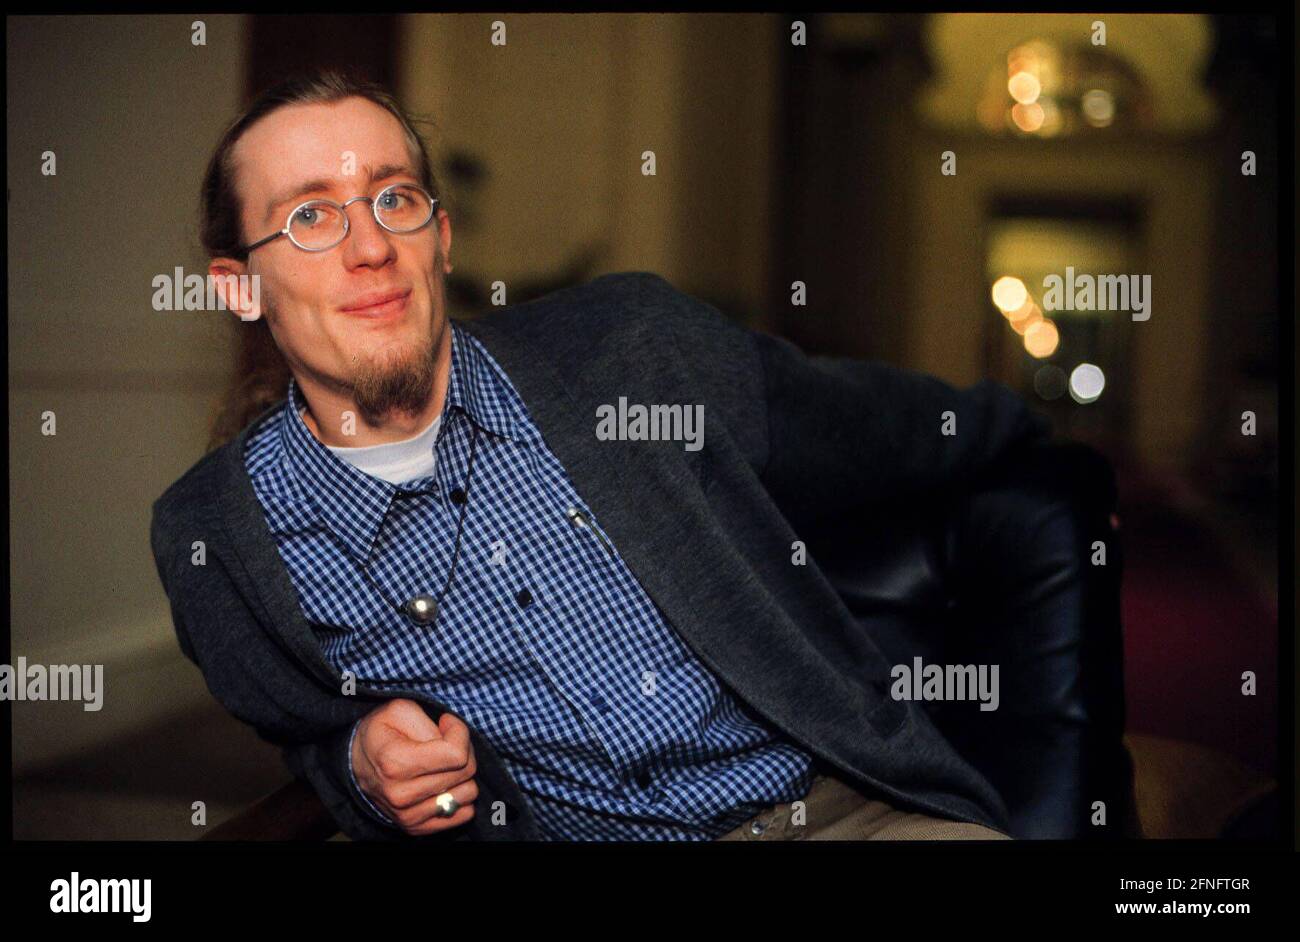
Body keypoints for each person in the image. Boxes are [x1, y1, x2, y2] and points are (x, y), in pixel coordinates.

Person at [151, 70, 1051, 842]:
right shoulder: (223, 542)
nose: (372, 246)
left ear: (443, 235)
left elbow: (882, 425)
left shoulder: (631, 353)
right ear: (239, 285)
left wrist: (1043, 445)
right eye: (310, 216)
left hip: (837, 816)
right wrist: (358, 763)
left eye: (396, 198)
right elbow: (308, 731)